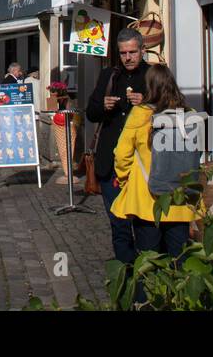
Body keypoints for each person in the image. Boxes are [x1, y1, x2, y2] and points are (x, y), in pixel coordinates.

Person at [109, 65, 202, 295]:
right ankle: (178, 300)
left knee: (148, 262)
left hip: (147, 200)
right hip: (180, 199)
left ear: (149, 87)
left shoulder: (141, 114)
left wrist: (123, 178)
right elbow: (196, 153)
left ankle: (146, 301)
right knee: (178, 260)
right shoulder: (188, 114)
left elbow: (121, 154)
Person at [85, 28, 147, 228]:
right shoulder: (109, 75)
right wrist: (102, 105)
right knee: (118, 223)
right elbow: (91, 113)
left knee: (143, 224)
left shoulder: (154, 75)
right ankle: (124, 260)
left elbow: (172, 109)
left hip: (141, 163)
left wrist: (148, 104)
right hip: (110, 163)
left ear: (142, 50)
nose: (128, 58)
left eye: (132, 52)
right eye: (123, 53)